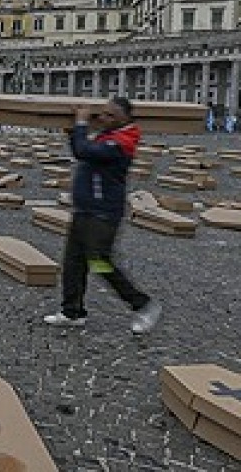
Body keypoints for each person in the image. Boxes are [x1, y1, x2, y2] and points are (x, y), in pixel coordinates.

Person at [44, 97, 162, 334]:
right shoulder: (109, 136)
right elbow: (85, 152)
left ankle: (143, 304)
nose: (103, 118)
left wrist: (80, 124)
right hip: (86, 210)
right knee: (73, 261)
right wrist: (74, 131)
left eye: (110, 115)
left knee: (99, 262)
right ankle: (72, 311)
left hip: (102, 214)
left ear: (125, 119)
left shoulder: (120, 143)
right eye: (103, 113)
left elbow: (83, 151)